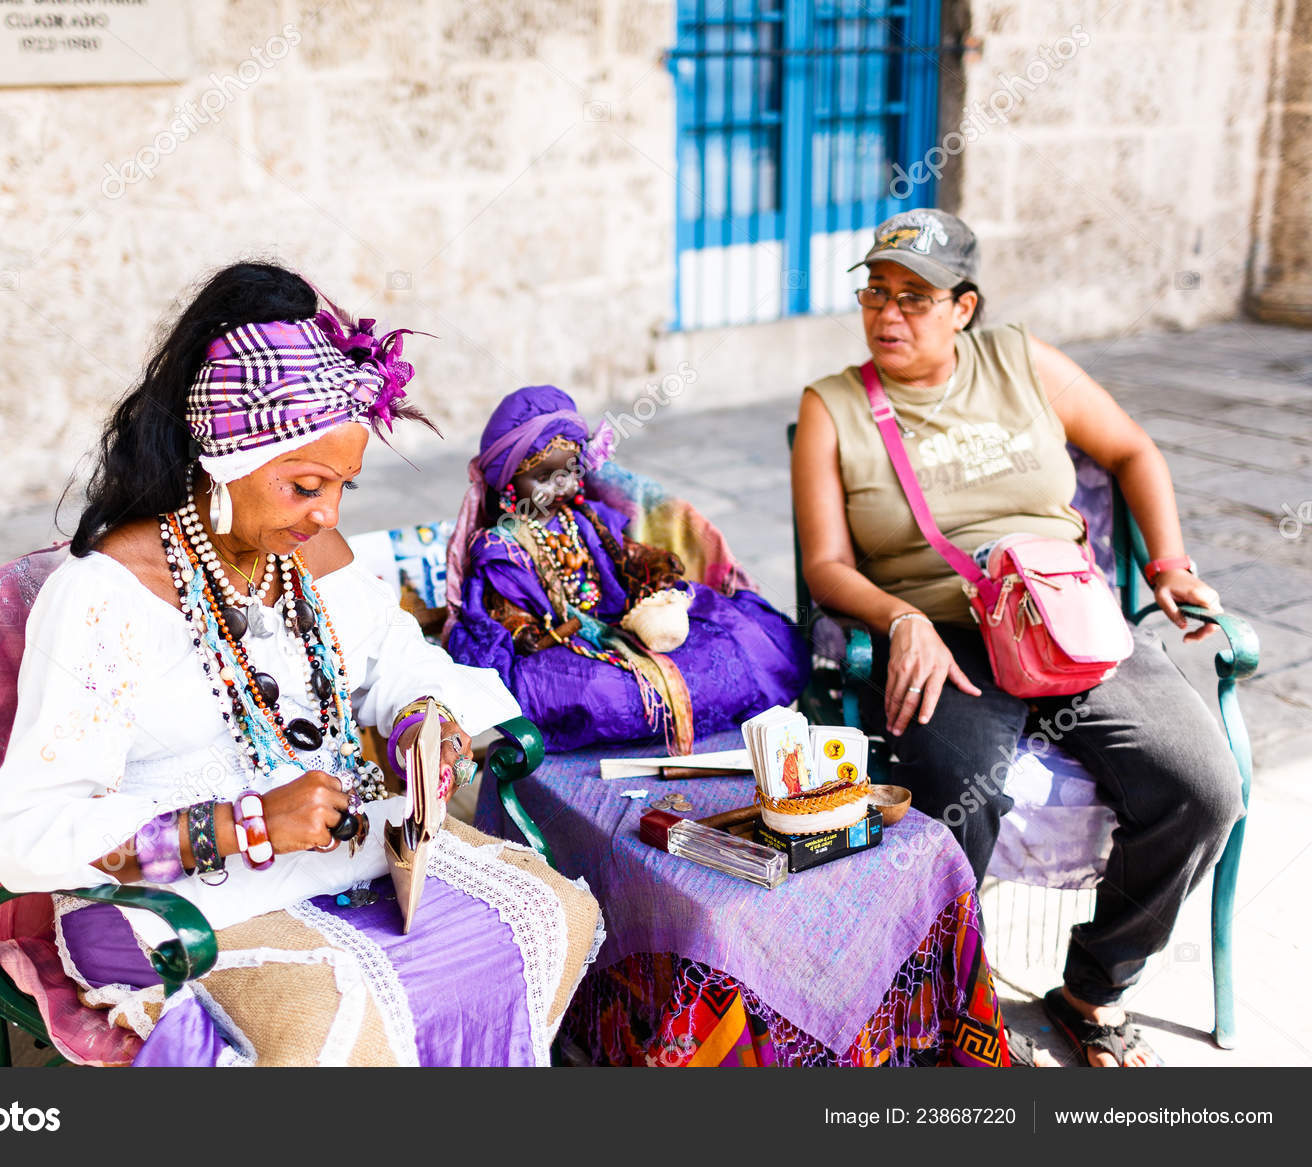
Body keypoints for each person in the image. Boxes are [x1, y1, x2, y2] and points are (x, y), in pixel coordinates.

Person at [0, 263, 602, 1067]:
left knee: (550, 914)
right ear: (223, 459)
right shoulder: (104, 597)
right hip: (167, 903)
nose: (328, 514)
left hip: (332, 856)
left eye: (343, 485)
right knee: (333, 1027)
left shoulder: (308, 557)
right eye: (305, 485)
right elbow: (27, 833)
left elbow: (400, 659)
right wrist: (245, 823)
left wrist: (423, 722)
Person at [792, 208, 1244, 1067]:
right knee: (959, 792)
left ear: (964, 307)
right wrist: (903, 619)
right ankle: (941, 1011)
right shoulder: (834, 407)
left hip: (1064, 620)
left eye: (915, 298)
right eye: (875, 292)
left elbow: (1135, 450)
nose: (888, 314)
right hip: (947, 634)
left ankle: (1094, 988)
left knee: (1204, 788)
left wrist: (1171, 568)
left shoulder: (1021, 361)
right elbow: (826, 564)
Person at [444, 384, 810, 754]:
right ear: (508, 482)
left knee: (739, 636)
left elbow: (627, 555)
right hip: (557, 643)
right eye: (541, 478)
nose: (558, 489)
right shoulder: (500, 545)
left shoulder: (588, 518)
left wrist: (656, 570)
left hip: (620, 620)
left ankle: (662, 715)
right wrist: (522, 632)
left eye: (567, 475)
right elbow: (498, 607)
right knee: (590, 689)